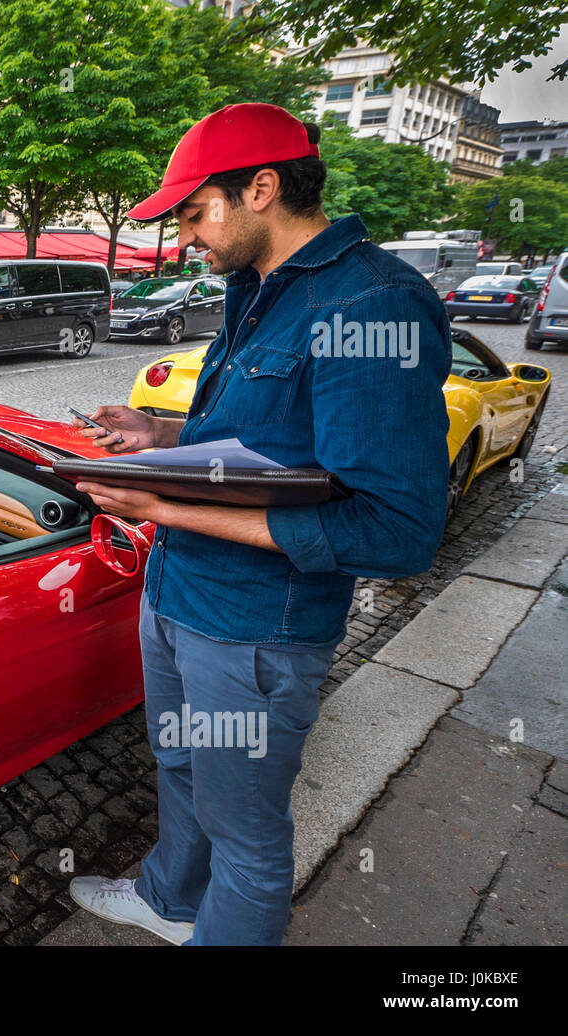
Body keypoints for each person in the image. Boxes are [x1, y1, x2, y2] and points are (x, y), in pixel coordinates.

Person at [65, 103, 451, 946]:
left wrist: (162, 505)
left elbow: (397, 529)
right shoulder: (252, 289)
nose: (183, 241)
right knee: (178, 765)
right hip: (178, 591)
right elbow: (257, 442)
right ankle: (171, 902)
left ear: (262, 189)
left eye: (194, 214)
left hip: (254, 627)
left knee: (246, 833)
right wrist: (158, 435)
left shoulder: (375, 305)